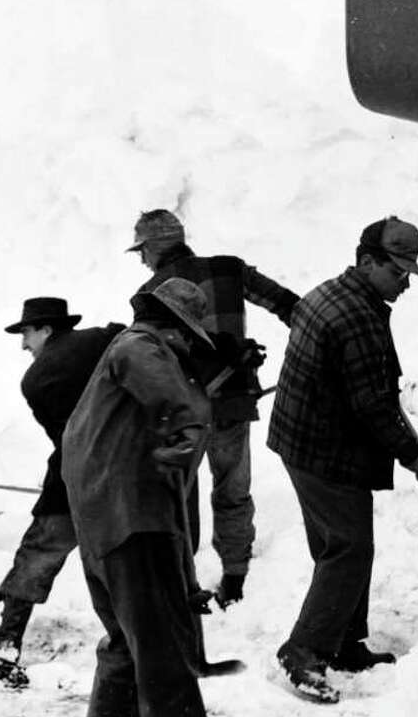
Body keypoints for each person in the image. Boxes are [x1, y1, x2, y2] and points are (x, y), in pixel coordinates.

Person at [62, 276, 244, 717]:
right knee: (165, 654)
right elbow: (172, 398)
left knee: (126, 644)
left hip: (106, 526)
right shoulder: (140, 345)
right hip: (134, 524)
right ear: (173, 328)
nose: (188, 350)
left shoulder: (113, 377)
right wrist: (187, 424)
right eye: (188, 339)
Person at [267, 216, 418, 703]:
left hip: (302, 441)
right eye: (398, 272)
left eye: (410, 273)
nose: (405, 283)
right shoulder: (357, 318)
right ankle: (302, 654)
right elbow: (374, 407)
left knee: (339, 547)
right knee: (347, 550)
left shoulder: (333, 293)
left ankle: (344, 643)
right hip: (325, 451)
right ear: (368, 262)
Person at [127, 208, 301, 607]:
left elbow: (147, 357)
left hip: (183, 412)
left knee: (178, 496)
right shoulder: (228, 270)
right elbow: (288, 305)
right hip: (233, 405)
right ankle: (234, 582)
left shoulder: (150, 293)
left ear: (154, 247)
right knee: (233, 492)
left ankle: (183, 584)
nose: (141, 259)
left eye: (142, 250)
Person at [0, 296, 123, 678]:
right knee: (123, 562)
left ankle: (8, 636)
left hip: (81, 473)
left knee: (41, 549)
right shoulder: (108, 337)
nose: (24, 345)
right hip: (132, 469)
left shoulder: (37, 380)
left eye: (26, 334)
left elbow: (68, 437)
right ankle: (141, 643)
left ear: (46, 329)